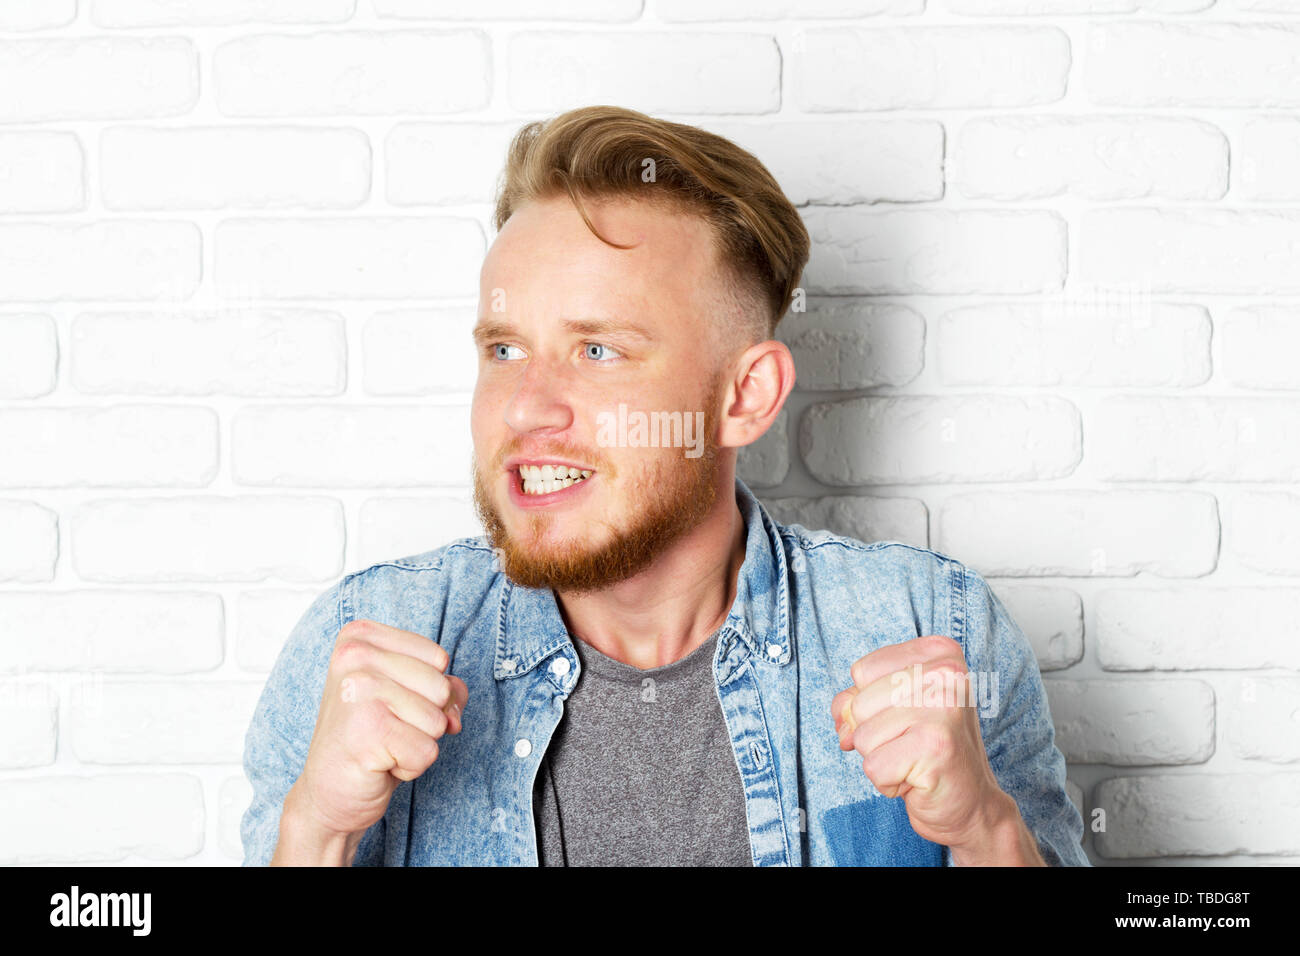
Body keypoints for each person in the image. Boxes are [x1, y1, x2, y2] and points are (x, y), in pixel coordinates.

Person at [242, 105, 1088, 867]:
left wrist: (984, 831)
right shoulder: (358, 652)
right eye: (503, 350)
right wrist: (316, 832)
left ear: (744, 397)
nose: (525, 408)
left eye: (598, 350)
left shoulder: (933, 630)